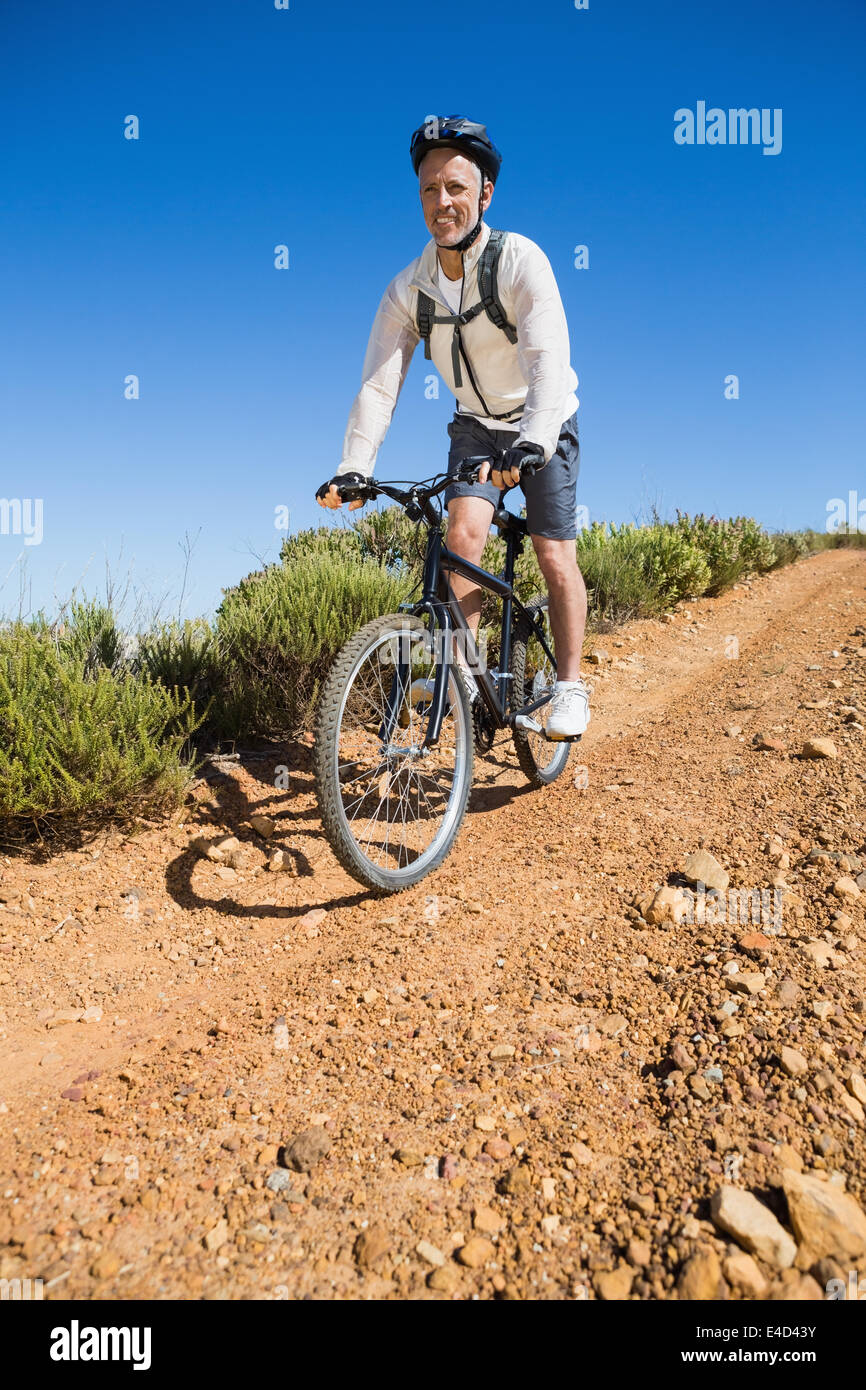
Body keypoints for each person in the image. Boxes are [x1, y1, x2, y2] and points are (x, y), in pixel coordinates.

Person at [316, 115, 590, 739]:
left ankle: (571, 684)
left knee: (553, 552)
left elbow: (549, 363)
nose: (443, 202)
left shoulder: (520, 260)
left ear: (484, 193)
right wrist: (353, 467)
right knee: (461, 540)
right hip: (475, 425)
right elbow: (379, 383)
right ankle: (463, 676)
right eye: (430, 189)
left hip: (544, 418)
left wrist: (534, 441)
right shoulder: (407, 291)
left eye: (457, 188)